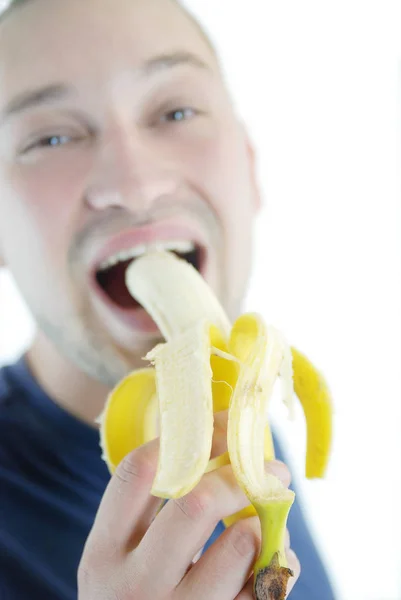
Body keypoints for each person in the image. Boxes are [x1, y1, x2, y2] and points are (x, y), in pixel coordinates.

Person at [0, 0, 336, 598]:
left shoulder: (248, 440)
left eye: (176, 111)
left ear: (251, 167)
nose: (134, 184)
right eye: (50, 137)